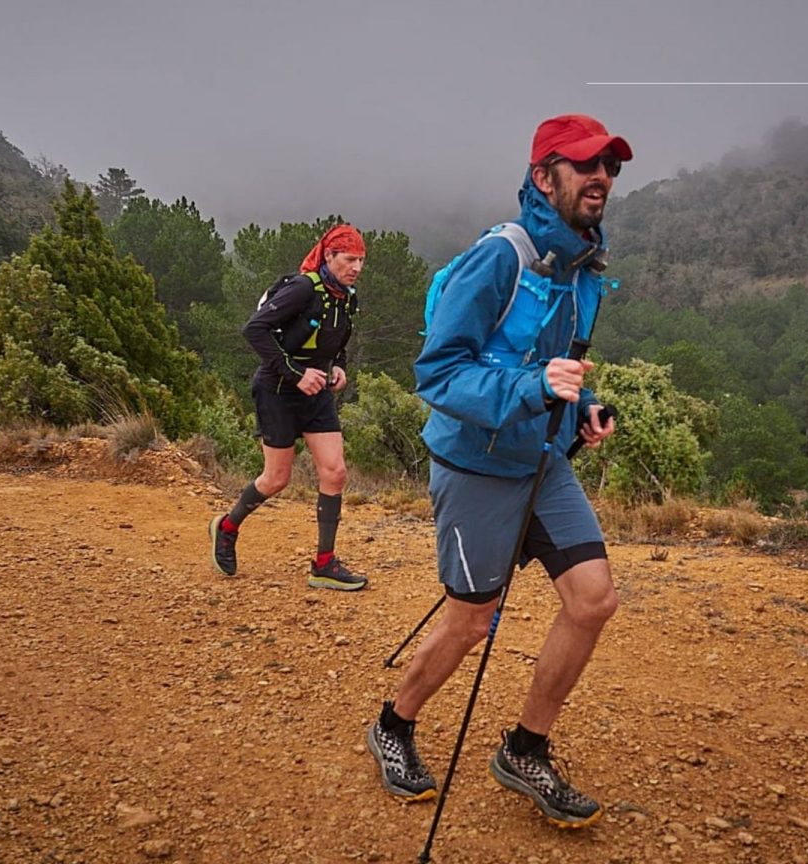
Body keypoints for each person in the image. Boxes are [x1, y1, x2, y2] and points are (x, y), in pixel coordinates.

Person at [366, 115, 628, 827]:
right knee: (471, 620)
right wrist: (538, 389)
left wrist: (586, 409)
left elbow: (561, 365)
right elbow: (439, 373)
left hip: (540, 459)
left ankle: (524, 749)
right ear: (544, 178)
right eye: (584, 165)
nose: (601, 176)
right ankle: (394, 723)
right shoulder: (500, 259)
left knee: (593, 599)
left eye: (609, 165)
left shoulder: (583, 269)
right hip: (476, 465)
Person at [209, 224, 367, 591]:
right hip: (277, 389)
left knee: (335, 472)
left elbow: (338, 338)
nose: (356, 268)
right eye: (349, 259)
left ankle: (324, 564)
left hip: (316, 393)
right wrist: (296, 373)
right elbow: (255, 330)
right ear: (329, 256)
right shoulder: (302, 288)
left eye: (361, 261)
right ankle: (227, 528)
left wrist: (338, 365)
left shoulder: (346, 296)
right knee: (276, 479)